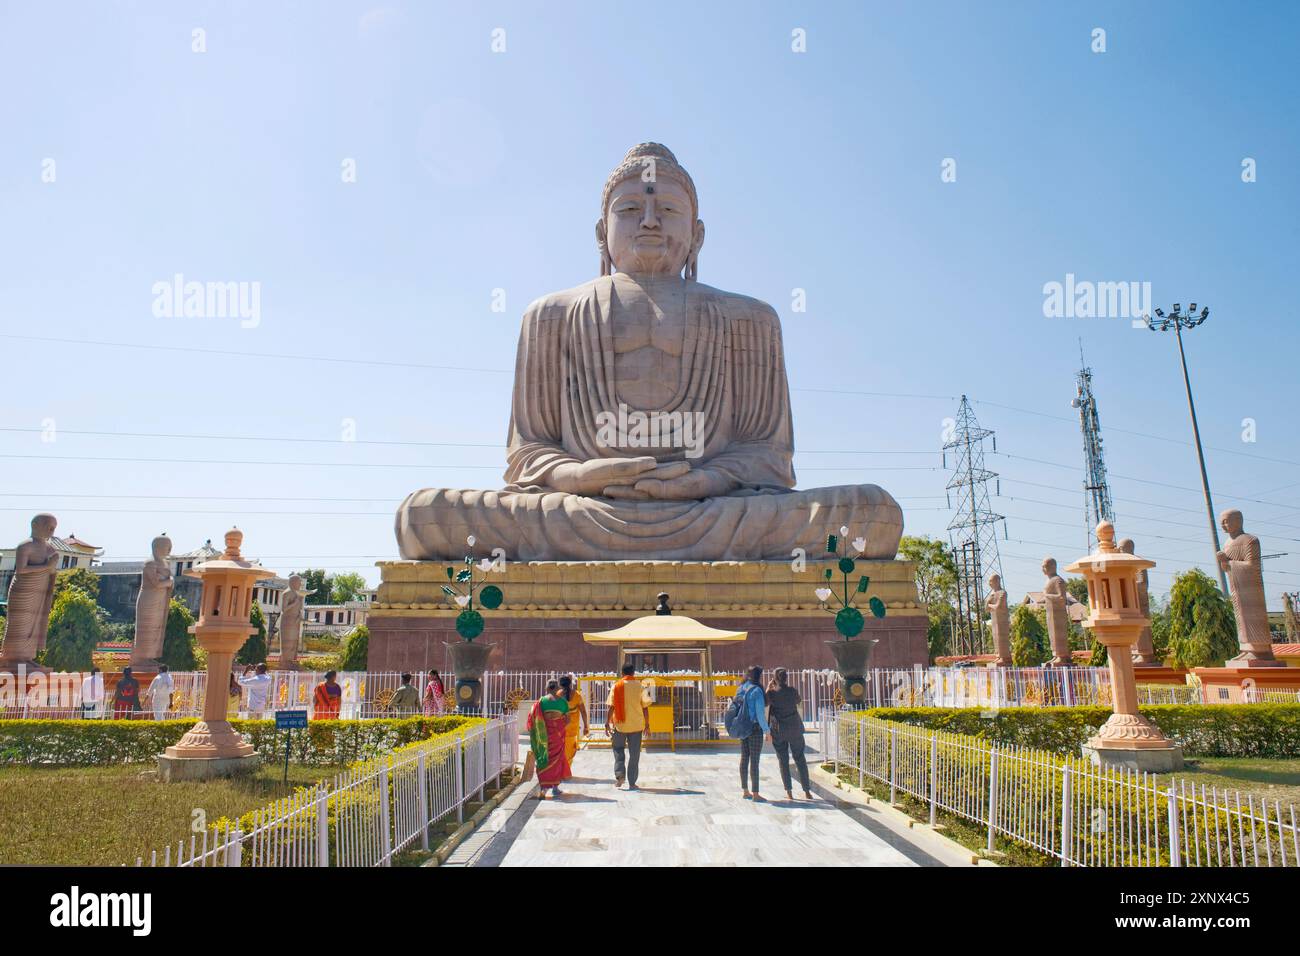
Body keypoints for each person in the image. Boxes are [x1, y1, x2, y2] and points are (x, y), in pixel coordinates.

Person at [603, 663, 652, 791]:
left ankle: (620, 776)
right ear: (633, 673)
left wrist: (607, 723)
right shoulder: (641, 686)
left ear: (622, 673)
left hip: (620, 725)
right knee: (634, 754)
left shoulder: (616, 686)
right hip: (636, 726)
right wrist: (647, 725)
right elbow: (645, 708)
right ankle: (632, 783)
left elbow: (611, 707)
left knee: (618, 749)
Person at [766, 668, 812, 801]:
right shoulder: (792, 691)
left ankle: (789, 792)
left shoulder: (772, 694)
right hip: (795, 729)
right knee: (800, 759)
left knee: (783, 761)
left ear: (774, 679)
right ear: (786, 678)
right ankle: (807, 791)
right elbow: (798, 700)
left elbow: (764, 702)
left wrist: (769, 689)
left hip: (779, 731)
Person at [526, 679, 570, 798]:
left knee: (543, 757)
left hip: (543, 736)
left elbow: (533, 719)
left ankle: (543, 788)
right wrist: (559, 728)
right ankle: (555, 788)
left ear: (547, 688)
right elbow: (567, 720)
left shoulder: (540, 702)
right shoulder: (563, 702)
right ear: (557, 689)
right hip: (558, 736)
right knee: (557, 760)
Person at [734, 665, 771, 801]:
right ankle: (755, 793)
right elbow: (760, 714)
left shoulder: (740, 688)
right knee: (754, 761)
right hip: (755, 728)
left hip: (743, 727)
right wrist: (767, 731)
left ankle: (745, 791)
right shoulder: (756, 691)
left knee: (744, 758)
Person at [559, 673, 588, 779]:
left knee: (561, 750)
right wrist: (586, 726)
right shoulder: (577, 695)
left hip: (560, 728)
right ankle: (566, 772)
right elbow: (583, 712)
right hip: (572, 728)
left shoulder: (558, 695)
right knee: (570, 750)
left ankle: (562, 771)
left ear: (561, 685)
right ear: (570, 684)